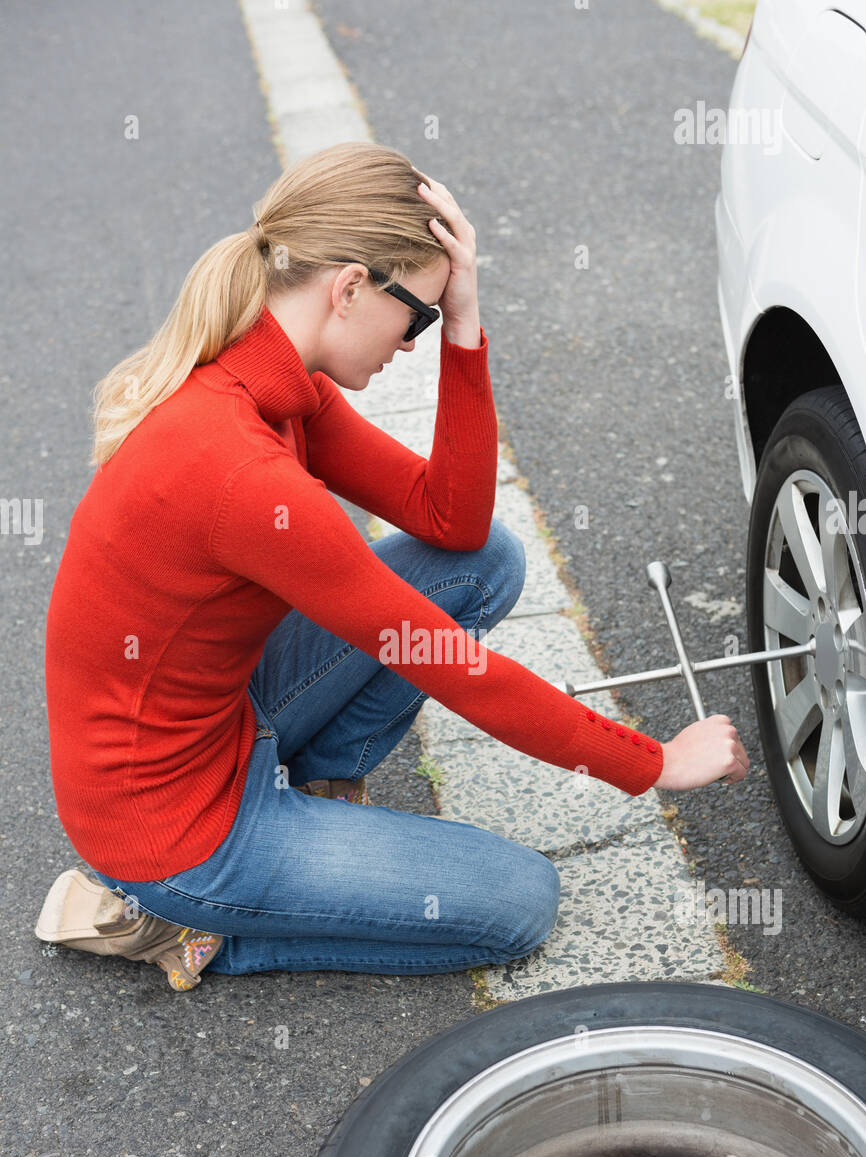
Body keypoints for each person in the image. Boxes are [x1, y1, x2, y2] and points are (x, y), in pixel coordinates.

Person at [37, 141, 749, 992]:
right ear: (348, 288)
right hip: (176, 828)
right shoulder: (237, 468)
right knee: (519, 900)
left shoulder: (276, 379)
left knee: (482, 563)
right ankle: (176, 921)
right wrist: (656, 762)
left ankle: (321, 795)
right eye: (415, 317)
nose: (412, 343)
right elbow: (448, 661)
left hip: (222, 717)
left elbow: (455, 519)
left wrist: (464, 322)